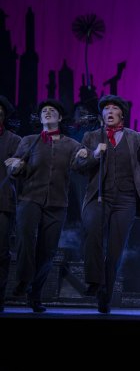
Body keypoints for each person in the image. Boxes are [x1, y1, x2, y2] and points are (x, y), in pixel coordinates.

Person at [75, 95, 140, 314]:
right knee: (92, 232)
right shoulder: (91, 136)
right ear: (101, 115)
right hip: (98, 196)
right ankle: (93, 281)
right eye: (106, 109)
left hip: (126, 199)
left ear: (122, 114)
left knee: (114, 250)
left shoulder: (135, 137)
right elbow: (79, 166)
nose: (109, 112)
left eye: (114, 109)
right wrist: (93, 155)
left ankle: (105, 296)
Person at [7, 99, 82, 312]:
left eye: (52, 111)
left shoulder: (71, 144)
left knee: (47, 251)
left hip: (57, 203)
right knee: (25, 241)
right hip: (29, 199)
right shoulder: (29, 141)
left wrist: (86, 156)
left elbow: (79, 166)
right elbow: (16, 170)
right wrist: (15, 166)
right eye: (44, 111)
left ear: (59, 117)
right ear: (39, 118)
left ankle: (35, 294)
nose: (47, 113)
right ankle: (23, 280)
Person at [0, 96, 21, 312]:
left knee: (1, 252)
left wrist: (17, 166)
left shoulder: (14, 140)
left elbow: (21, 170)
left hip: (3, 203)